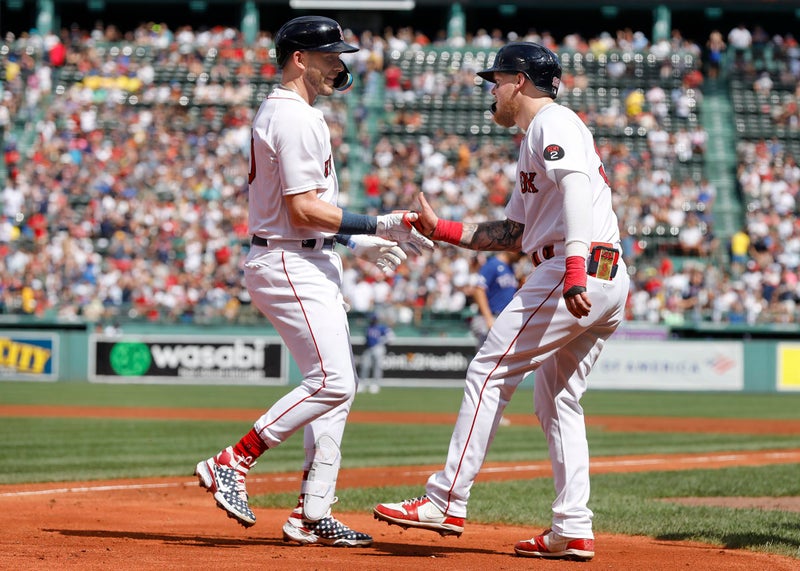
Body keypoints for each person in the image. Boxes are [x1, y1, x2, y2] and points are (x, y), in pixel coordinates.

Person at [373, 42, 630, 562]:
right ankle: (573, 528)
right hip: (604, 270)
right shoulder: (536, 138)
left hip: (573, 266)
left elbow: (577, 189)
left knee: (487, 371)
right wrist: (441, 229)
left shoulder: (550, 122)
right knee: (557, 400)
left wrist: (574, 268)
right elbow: (513, 232)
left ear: (519, 81)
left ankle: (445, 499)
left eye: (497, 80)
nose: (492, 90)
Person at [194, 15, 433, 548]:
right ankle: (233, 460)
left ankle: (311, 512)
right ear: (299, 57)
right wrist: (378, 223)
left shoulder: (292, 113)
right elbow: (302, 209)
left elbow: (307, 210)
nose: (339, 63)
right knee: (336, 382)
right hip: (288, 260)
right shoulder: (296, 117)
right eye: (330, 54)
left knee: (335, 390)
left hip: (307, 255)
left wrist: (355, 242)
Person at [469, 250, 524, 350]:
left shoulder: (511, 268)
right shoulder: (492, 264)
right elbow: (479, 290)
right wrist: (488, 318)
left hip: (503, 319)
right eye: (520, 253)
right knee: (487, 360)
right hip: (490, 317)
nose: (520, 257)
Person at [358, 313, 394, 393]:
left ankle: (375, 384)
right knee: (365, 366)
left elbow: (391, 337)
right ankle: (362, 383)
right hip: (368, 348)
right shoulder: (367, 327)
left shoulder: (381, 327)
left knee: (377, 366)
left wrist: (382, 341)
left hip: (378, 348)